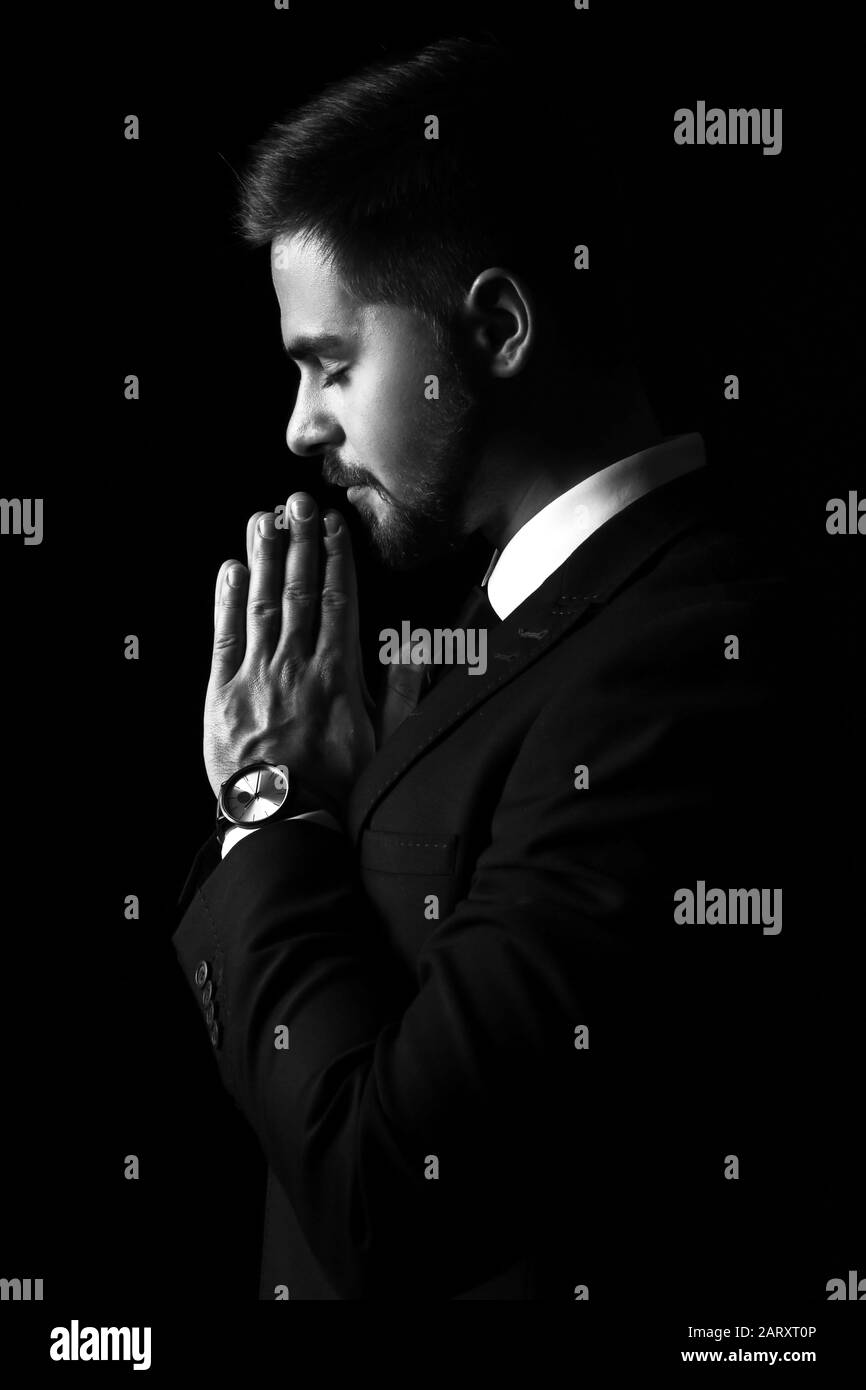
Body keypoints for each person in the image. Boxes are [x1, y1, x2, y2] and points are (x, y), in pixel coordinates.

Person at [172, 37, 786, 1300]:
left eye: (334, 364)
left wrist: (271, 809)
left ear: (494, 328)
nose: (301, 426)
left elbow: (389, 1188)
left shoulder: (683, 662)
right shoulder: (506, 626)